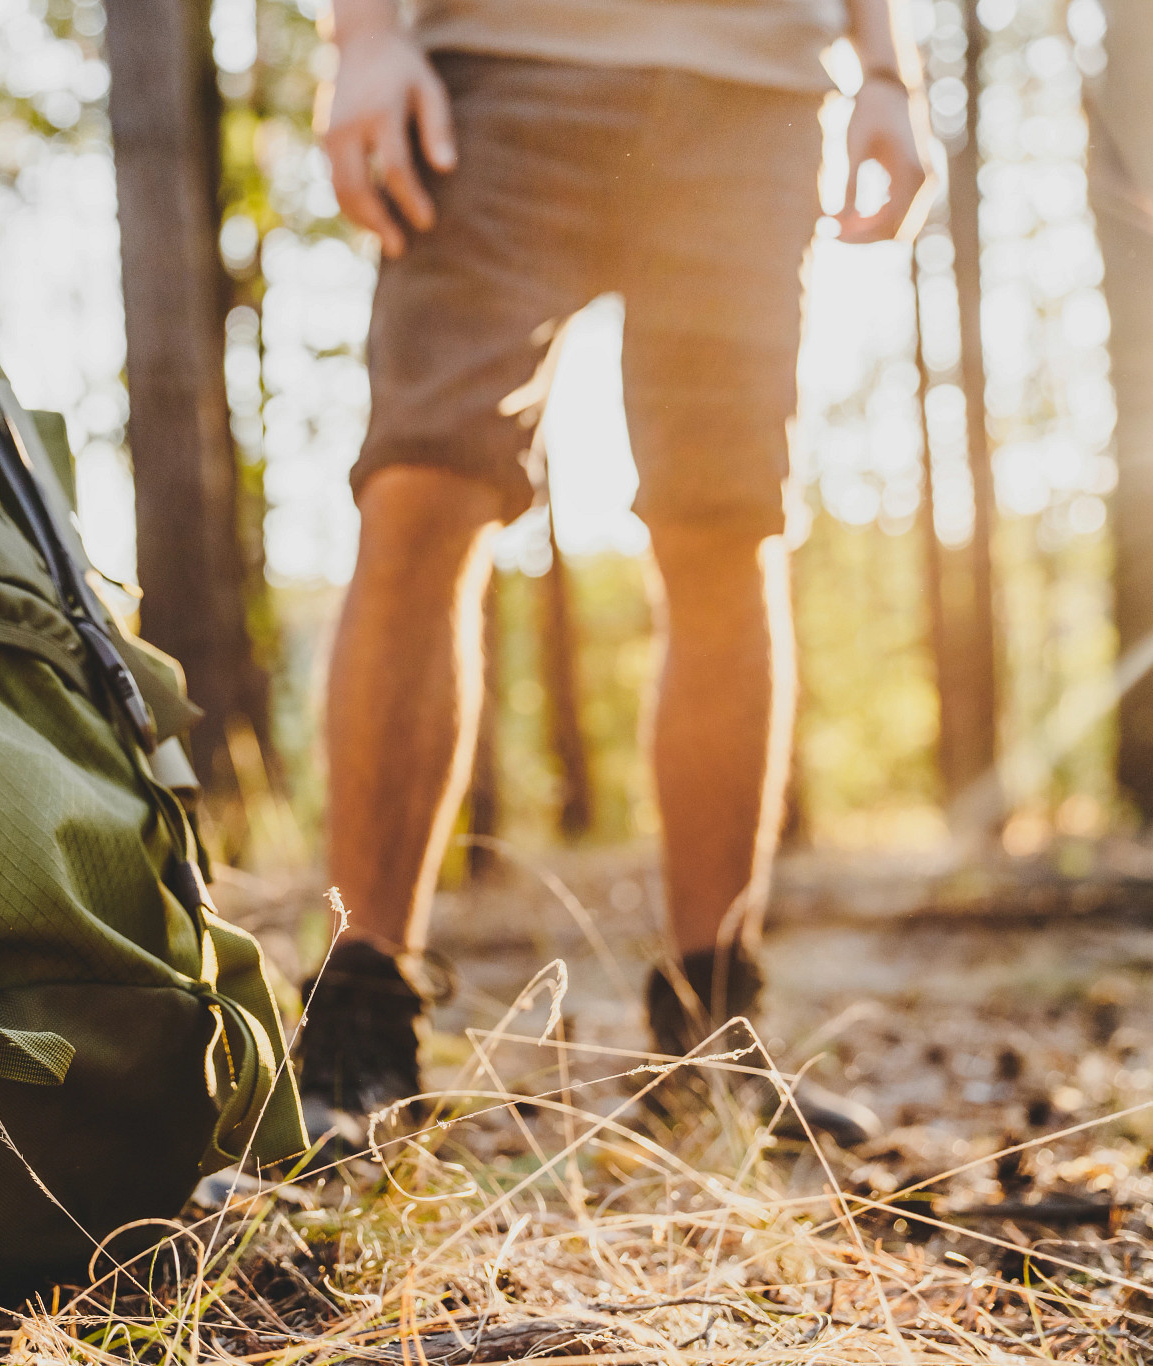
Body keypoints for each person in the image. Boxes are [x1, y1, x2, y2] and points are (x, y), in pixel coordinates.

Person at [298, 0, 928, 1146]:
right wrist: (363, 38)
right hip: (490, 67)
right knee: (420, 485)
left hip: (753, 85)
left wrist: (888, 69)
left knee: (724, 526)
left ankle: (711, 1036)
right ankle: (355, 1030)